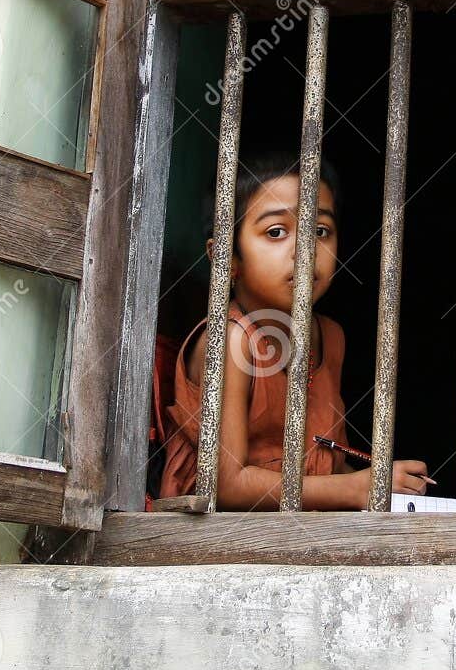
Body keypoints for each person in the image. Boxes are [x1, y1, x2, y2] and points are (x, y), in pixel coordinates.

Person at [157, 150, 431, 509]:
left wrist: (384, 484)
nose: (305, 249)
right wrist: (355, 488)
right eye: (275, 232)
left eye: (320, 231)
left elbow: (322, 468)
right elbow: (225, 484)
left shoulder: (330, 337)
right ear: (227, 257)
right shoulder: (231, 341)